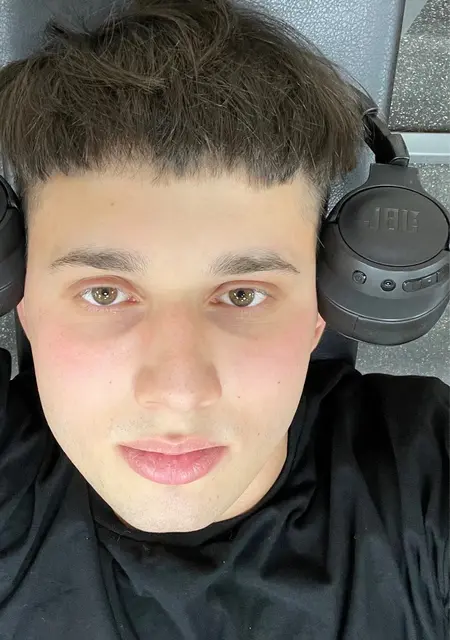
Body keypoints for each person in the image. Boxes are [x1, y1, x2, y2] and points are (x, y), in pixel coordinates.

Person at [0, 0, 448, 638]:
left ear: (320, 309)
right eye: (103, 293)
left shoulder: (423, 479)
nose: (179, 393)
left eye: (242, 295)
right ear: (22, 299)